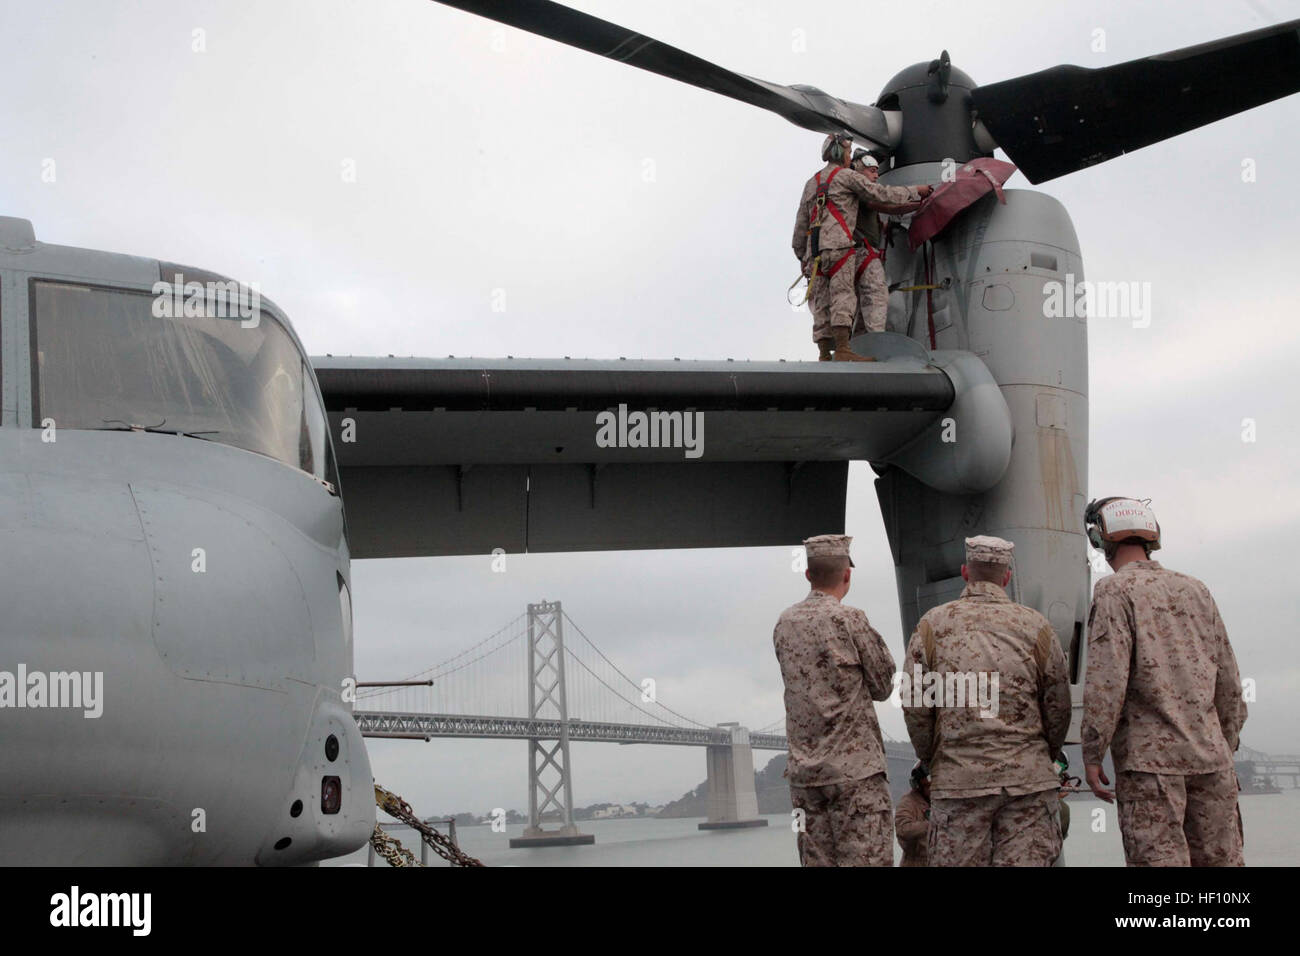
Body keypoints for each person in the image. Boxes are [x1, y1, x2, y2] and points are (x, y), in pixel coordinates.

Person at [1081, 497, 1247, 866]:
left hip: (1150, 767)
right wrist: (1226, 744)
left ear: (1098, 539)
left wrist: (1092, 753)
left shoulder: (1114, 592)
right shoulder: (1196, 589)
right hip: (1213, 759)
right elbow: (1230, 683)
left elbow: (1107, 682)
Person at [902, 535, 1071, 866]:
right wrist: (1044, 755)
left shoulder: (930, 627)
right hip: (1027, 786)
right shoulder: (1038, 627)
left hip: (959, 785)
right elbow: (1059, 706)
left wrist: (933, 758)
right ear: (1007, 577)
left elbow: (914, 705)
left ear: (966, 572)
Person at [772, 534, 896, 865]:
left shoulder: (784, 623)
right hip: (855, 776)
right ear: (847, 574)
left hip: (805, 778)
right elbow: (884, 686)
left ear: (808, 574)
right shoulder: (850, 619)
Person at [791, 134, 931, 361]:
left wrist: (803, 258)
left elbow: (799, 228)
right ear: (840, 153)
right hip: (840, 249)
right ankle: (844, 350)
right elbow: (882, 194)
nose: (849, 156)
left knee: (822, 306)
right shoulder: (846, 177)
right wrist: (916, 191)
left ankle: (825, 354)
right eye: (848, 151)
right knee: (843, 297)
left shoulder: (811, 183)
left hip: (814, 256)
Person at [849, 149, 916, 336]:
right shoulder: (861, 191)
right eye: (872, 171)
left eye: (877, 171)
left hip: (856, 256)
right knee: (877, 296)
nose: (877, 175)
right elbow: (887, 205)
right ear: (858, 171)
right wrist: (919, 197)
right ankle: (876, 341)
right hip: (863, 254)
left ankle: (860, 349)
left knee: (863, 308)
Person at [895, 762, 931, 866]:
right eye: (927, 786)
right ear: (918, 785)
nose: (931, 790)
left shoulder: (942, 802)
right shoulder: (908, 802)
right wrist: (931, 824)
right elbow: (903, 829)